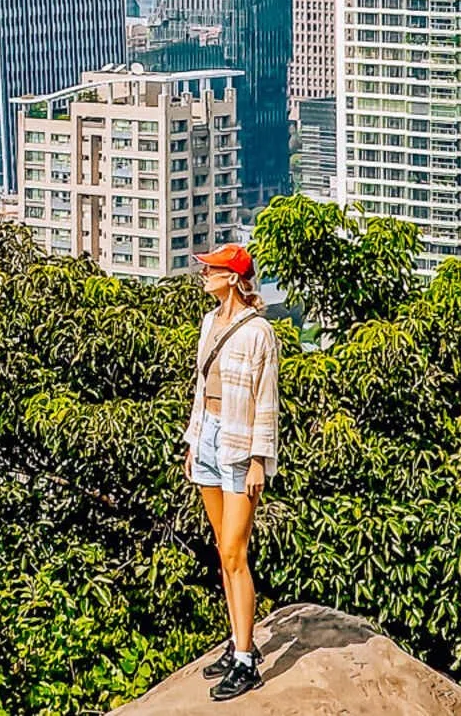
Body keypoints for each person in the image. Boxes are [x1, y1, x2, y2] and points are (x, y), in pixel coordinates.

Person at [183, 242, 279, 701]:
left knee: (235, 553)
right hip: (207, 436)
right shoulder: (209, 323)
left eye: (213, 270)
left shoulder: (259, 332)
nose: (205, 275)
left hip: (241, 444)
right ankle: (238, 641)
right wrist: (192, 441)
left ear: (234, 278)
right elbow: (201, 389)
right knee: (222, 552)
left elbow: (267, 400)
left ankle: (245, 659)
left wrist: (261, 458)